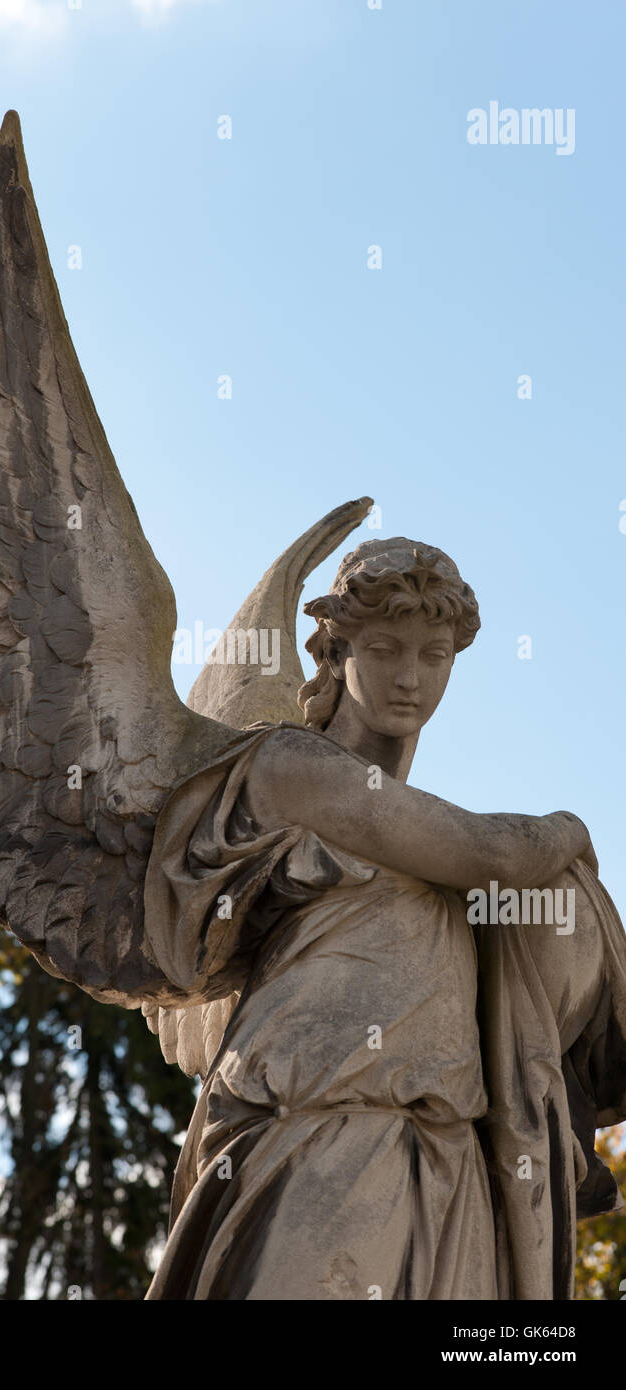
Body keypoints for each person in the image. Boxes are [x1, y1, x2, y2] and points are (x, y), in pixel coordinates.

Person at [143, 539, 625, 1300]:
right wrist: (569, 830)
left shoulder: (425, 858)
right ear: (334, 652)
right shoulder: (287, 768)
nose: (410, 676)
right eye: (383, 648)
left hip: (445, 1151)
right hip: (314, 1136)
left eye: (434, 654)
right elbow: (490, 851)